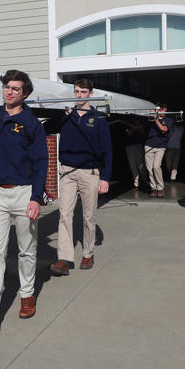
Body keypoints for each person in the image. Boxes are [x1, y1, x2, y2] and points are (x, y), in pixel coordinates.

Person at [0, 69, 48, 334]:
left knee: (26, 249)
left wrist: (37, 198)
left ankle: (27, 294)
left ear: (25, 93)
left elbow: (41, 162)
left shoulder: (31, 123)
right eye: (6, 87)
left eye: (15, 89)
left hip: (24, 193)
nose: (9, 92)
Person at [46, 79, 112, 276]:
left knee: (88, 215)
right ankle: (64, 258)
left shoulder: (98, 118)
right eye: (76, 91)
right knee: (65, 214)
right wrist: (63, 115)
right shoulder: (66, 116)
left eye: (83, 92)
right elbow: (45, 129)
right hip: (67, 171)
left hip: (90, 172)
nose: (79, 95)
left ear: (91, 94)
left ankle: (88, 253)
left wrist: (105, 177)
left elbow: (107, 150)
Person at [144, 103, 172, 197]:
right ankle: (154, 187)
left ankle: (160, 187)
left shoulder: (168, 119)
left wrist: (156, 119)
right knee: (149, 169)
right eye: (160, 108)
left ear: (166, 110)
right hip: (149, 145)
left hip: (160, 146)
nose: (161, 110)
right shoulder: (151, 118)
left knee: (156, 166)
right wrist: (152, 116)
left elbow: (163, 129)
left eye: (163, 109)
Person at [121, 116, 146, 190]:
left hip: (139, 146)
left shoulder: (142, 123)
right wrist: (132, 126)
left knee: (141, 165)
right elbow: (129, 134)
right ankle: (136, 183)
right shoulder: (128, 125)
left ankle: (144, 179)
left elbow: (141, 130)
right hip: (130, 146)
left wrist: (127, 123)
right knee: (133, 165)